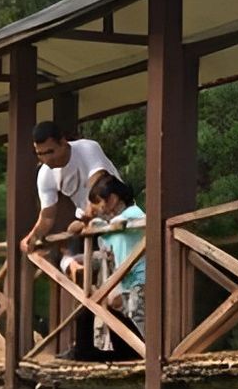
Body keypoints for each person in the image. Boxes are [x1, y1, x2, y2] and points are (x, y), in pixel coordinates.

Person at [19, 121, 121, 253]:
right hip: (91, 225)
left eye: (50, 151)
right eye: (40, 154)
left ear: (63, 142)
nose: (46, 159)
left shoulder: (87, 148)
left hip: (120, 214)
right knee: (72, 258)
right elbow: (47, 216)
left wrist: (84, 218)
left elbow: (98, 180)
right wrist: (33, 236)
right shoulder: (45, 174)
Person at [87, 176, 146, 338]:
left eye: (99, 203)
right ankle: (148, 348)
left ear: (112, 199)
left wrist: (105, 224)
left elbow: (141, 220)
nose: (98, 209)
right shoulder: (110, 228)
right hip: (127, 282)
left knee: (140, 318)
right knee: (133, 317)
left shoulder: (132, 212)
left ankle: (152, 349)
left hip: (142, 279)